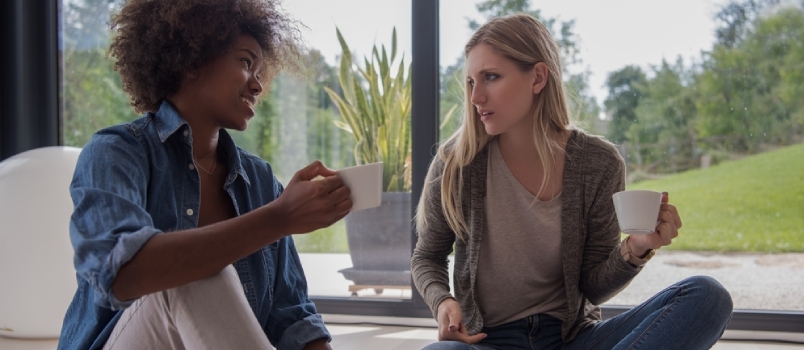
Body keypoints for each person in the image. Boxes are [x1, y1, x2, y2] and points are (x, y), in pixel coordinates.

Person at [412, 13, 733, 350]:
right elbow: (427, 257)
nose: (476, 97)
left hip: (572, 340)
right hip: (487, 341)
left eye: (490, 77)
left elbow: (592, 286)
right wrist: (442, 301)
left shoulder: (598, 163)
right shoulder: (456, 162)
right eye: (471, 83)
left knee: (707, 297)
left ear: (537, 77)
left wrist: (637, 248)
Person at [57, 1, 350, 349]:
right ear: (192, 60)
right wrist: (280, 218)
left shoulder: (259, 180)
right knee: (195, 273)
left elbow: (292, 318)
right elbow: (124, 273)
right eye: (245, 62)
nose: (258, 86)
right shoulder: (116, 152)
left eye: (261, 70)